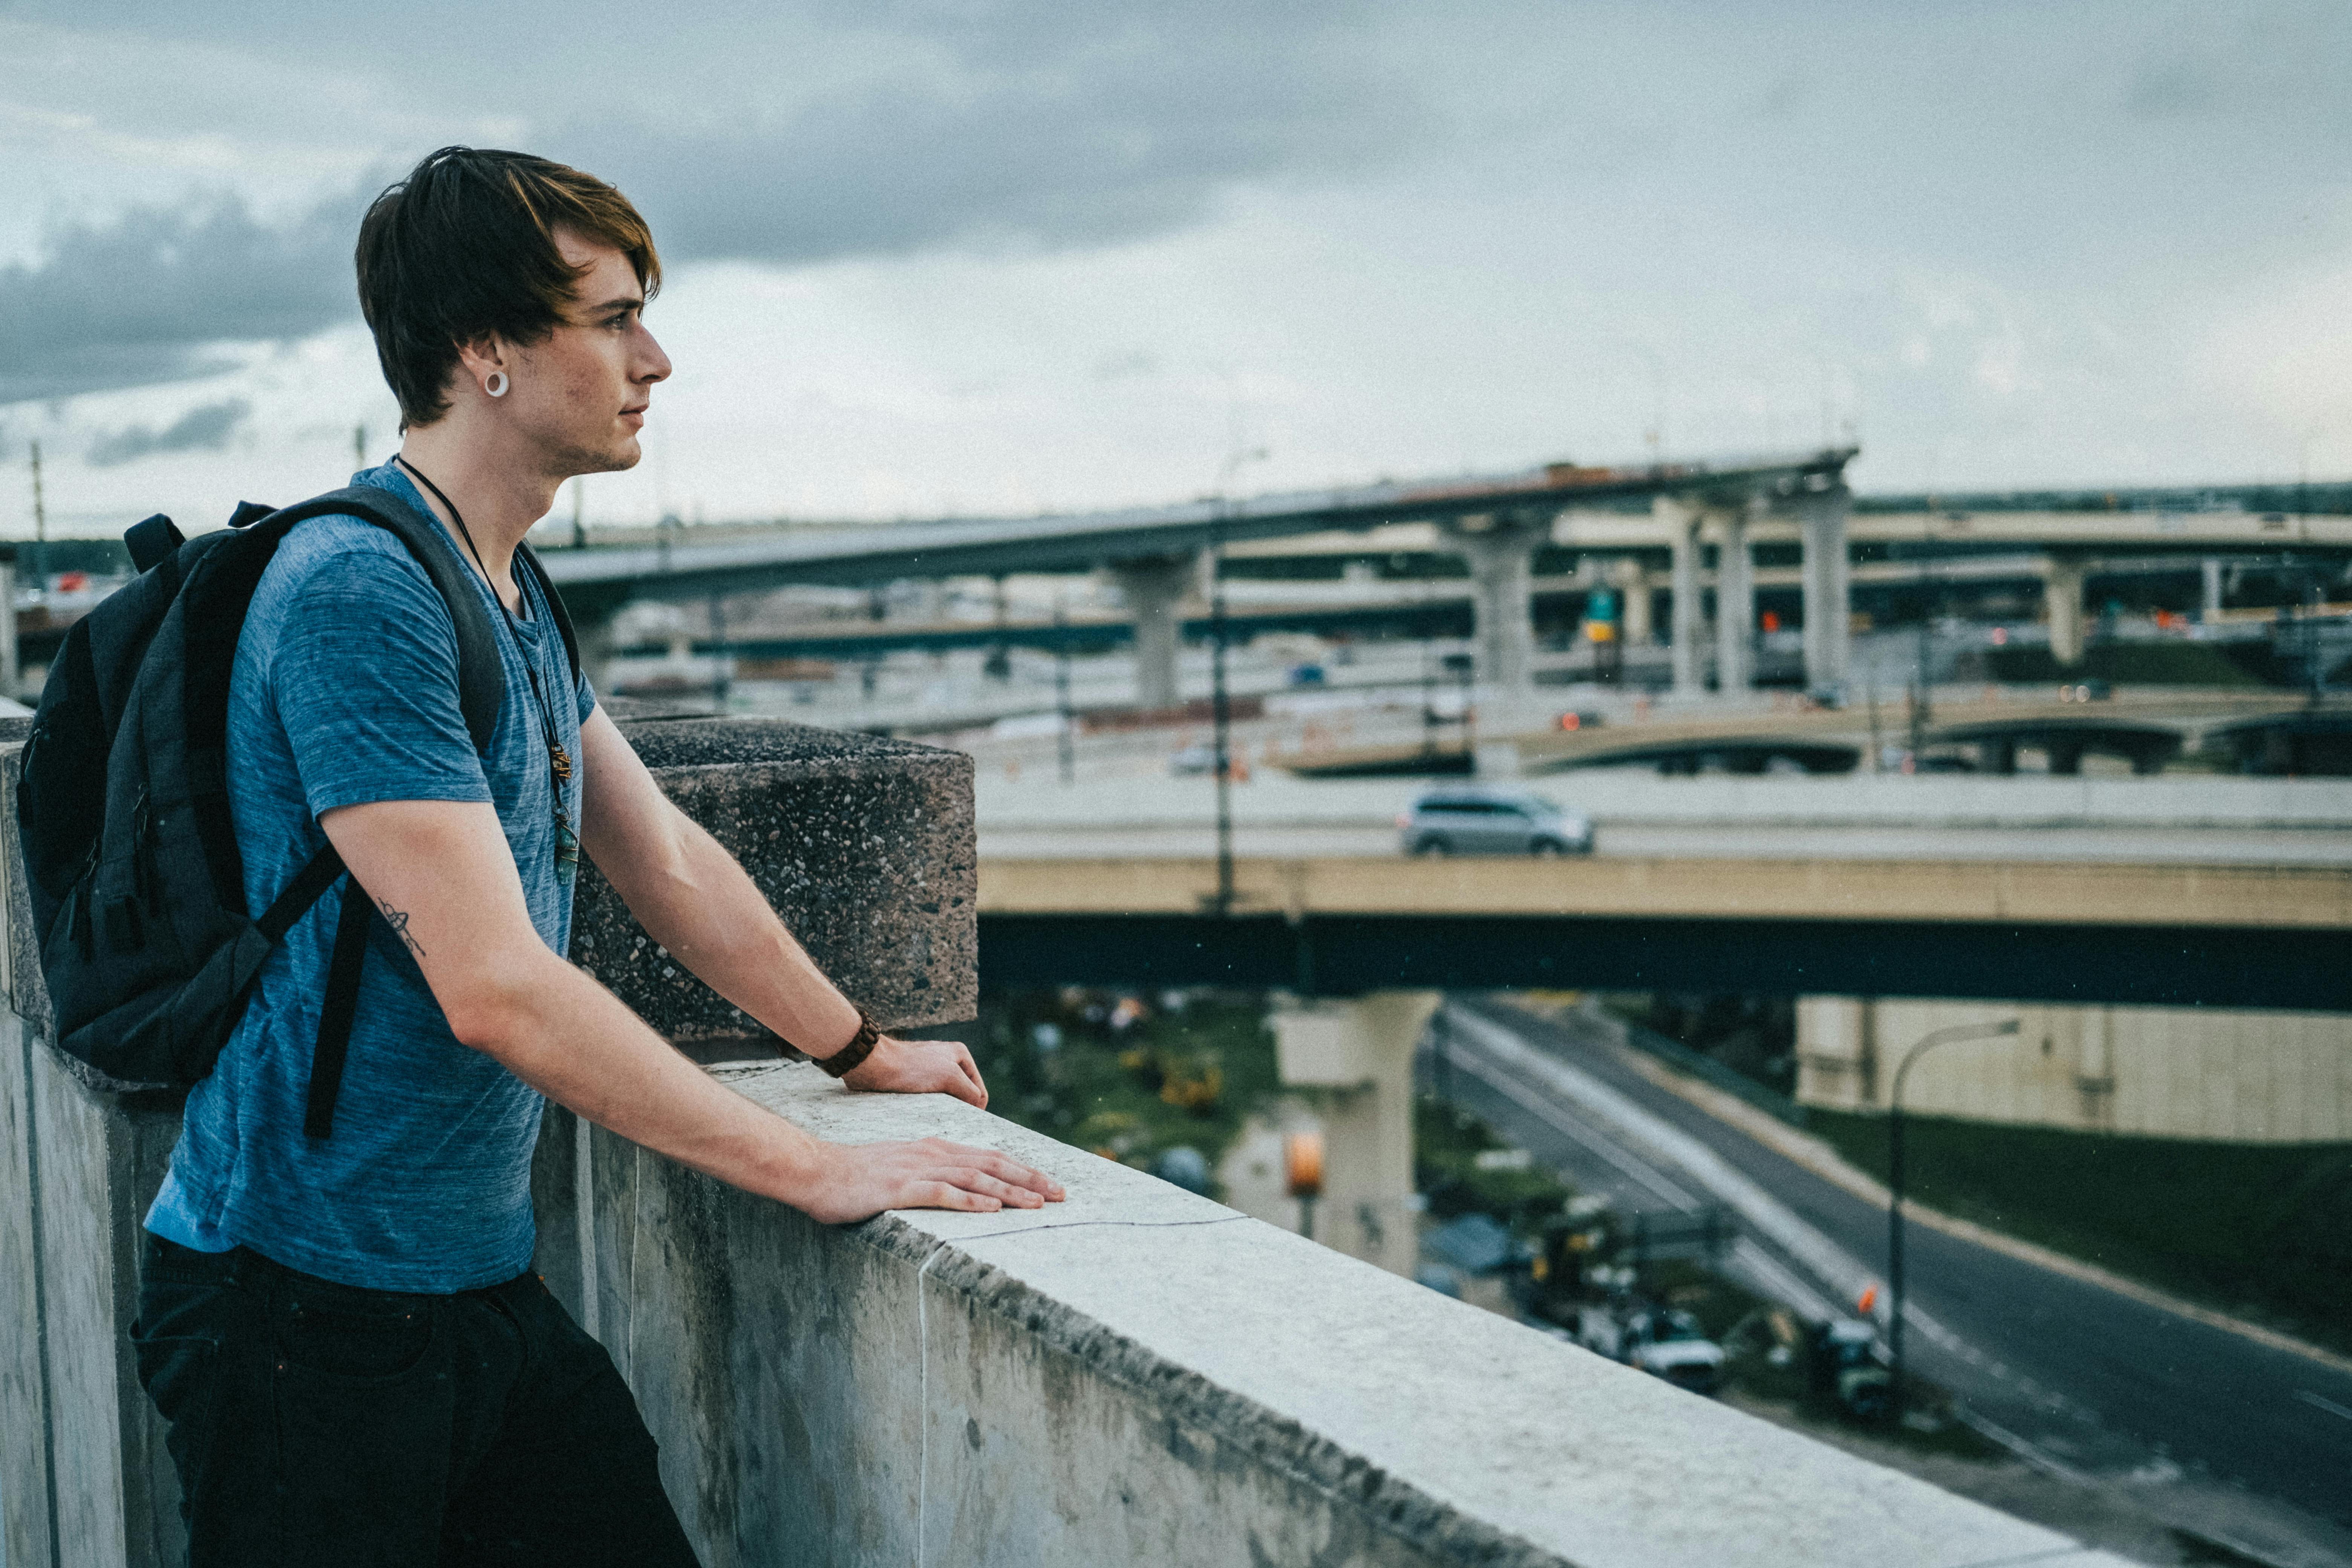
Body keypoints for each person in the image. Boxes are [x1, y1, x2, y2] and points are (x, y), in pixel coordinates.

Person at [129, 145, 1062, 1567]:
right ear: (486, 353)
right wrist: (812, 1169)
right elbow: (495, 987)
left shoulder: (496, 578)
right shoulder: (361, 592)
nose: (656, 360)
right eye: (614, 319)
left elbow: (663, 860)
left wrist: (861, 1053)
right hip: (295, 1312)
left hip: (468, 1285)